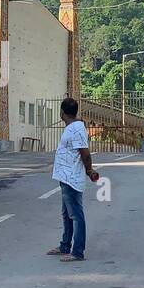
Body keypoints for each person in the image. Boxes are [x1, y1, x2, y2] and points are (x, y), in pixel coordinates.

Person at [46, 97, 99, 263]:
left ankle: (77, 251)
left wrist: (89, 170)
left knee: (76, 215)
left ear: (62, 112)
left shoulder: (76, 129)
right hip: (65, 177)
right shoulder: (72, 127)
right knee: (67, 214)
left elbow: (85, 153)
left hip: (72, 178)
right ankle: (65, 245)